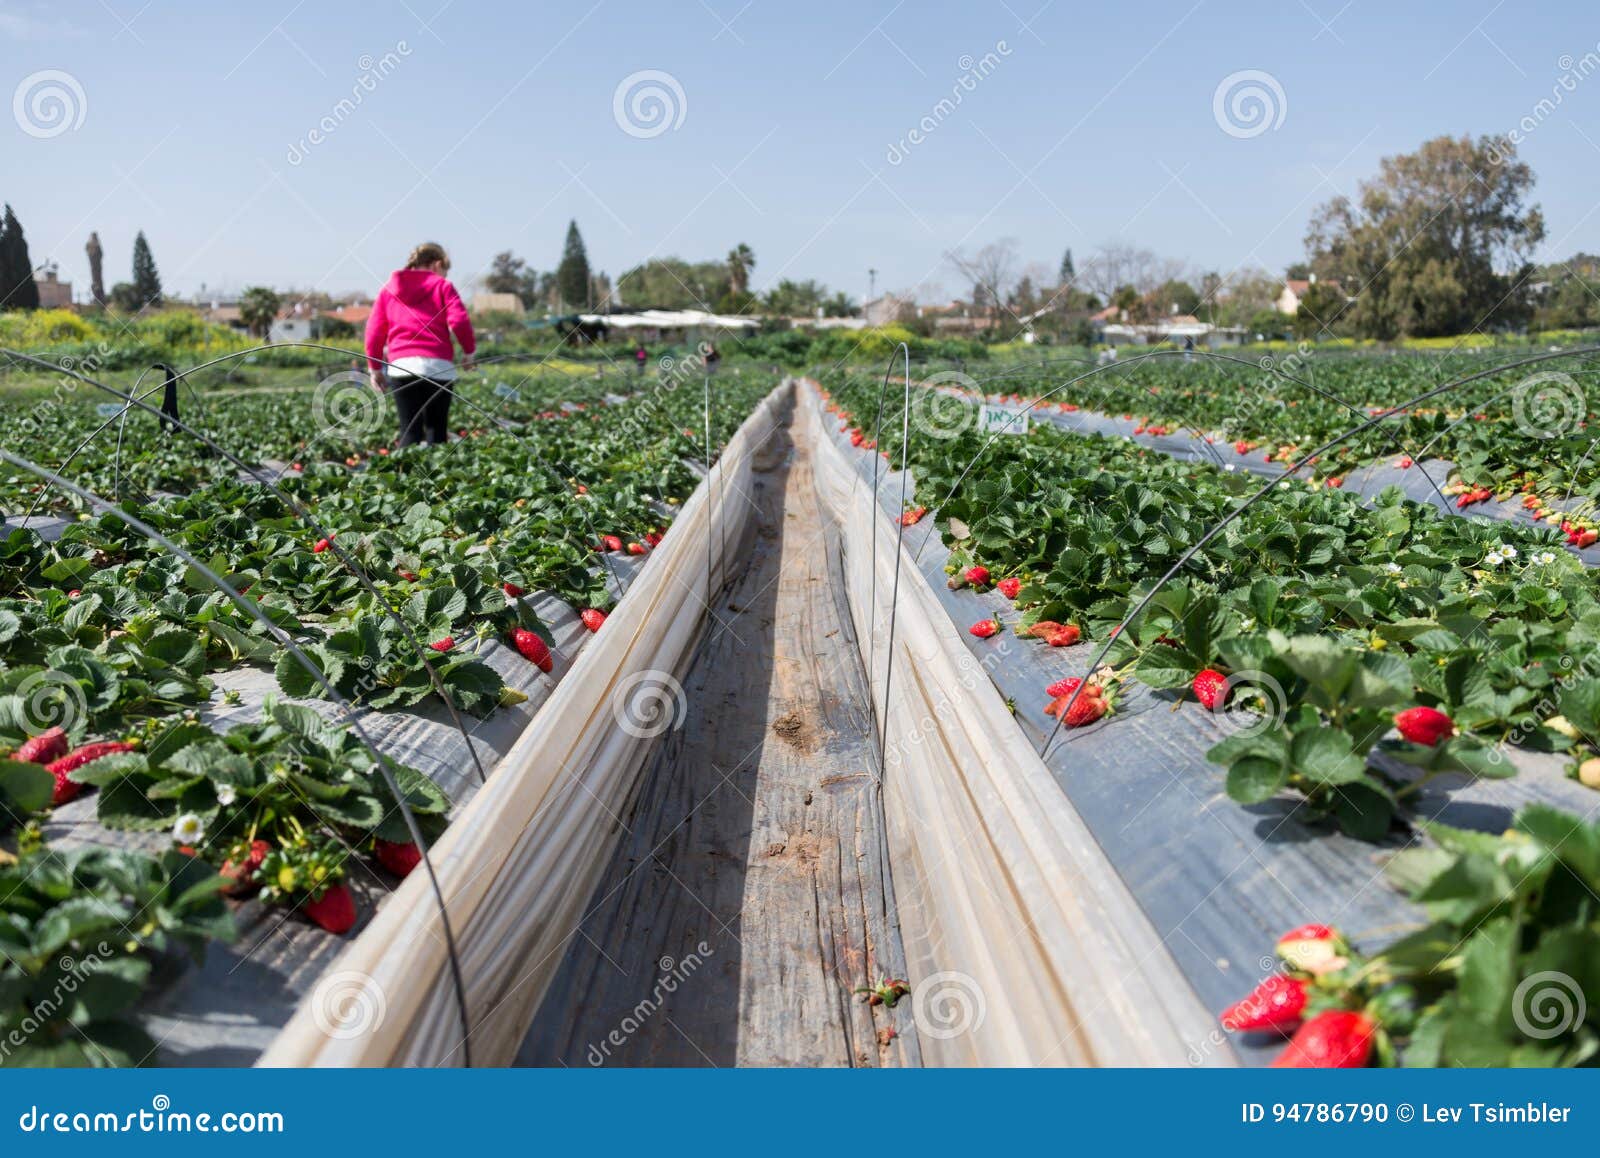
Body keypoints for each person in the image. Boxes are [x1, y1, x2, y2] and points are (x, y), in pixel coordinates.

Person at [365, 242, 476, 447]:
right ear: (437, 264)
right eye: (445, 271)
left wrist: (375, 369)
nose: (445, 276)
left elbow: (374, 331)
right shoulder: (443, 287)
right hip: (439, 367)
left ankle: (406, 478)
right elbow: (459, 322)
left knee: (410, 431)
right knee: (437, 430)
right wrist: (469, 353)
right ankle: (438, 478)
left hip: (402, 367)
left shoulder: (388, 290)